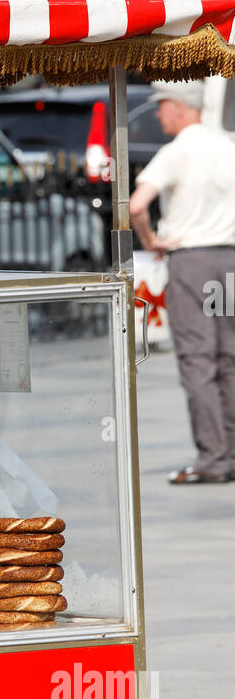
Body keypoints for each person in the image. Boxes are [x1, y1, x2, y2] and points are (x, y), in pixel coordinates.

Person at [129, 80, 235, 484]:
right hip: (227, 262)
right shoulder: (227, 147)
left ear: (179, 107)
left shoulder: (177, 152)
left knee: (196, 358)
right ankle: (231, 451)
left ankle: (213, 457)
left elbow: (137, 204)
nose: (158, 115)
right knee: (228, 356)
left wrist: (151, 239)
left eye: (162, 107)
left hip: (192, 261)